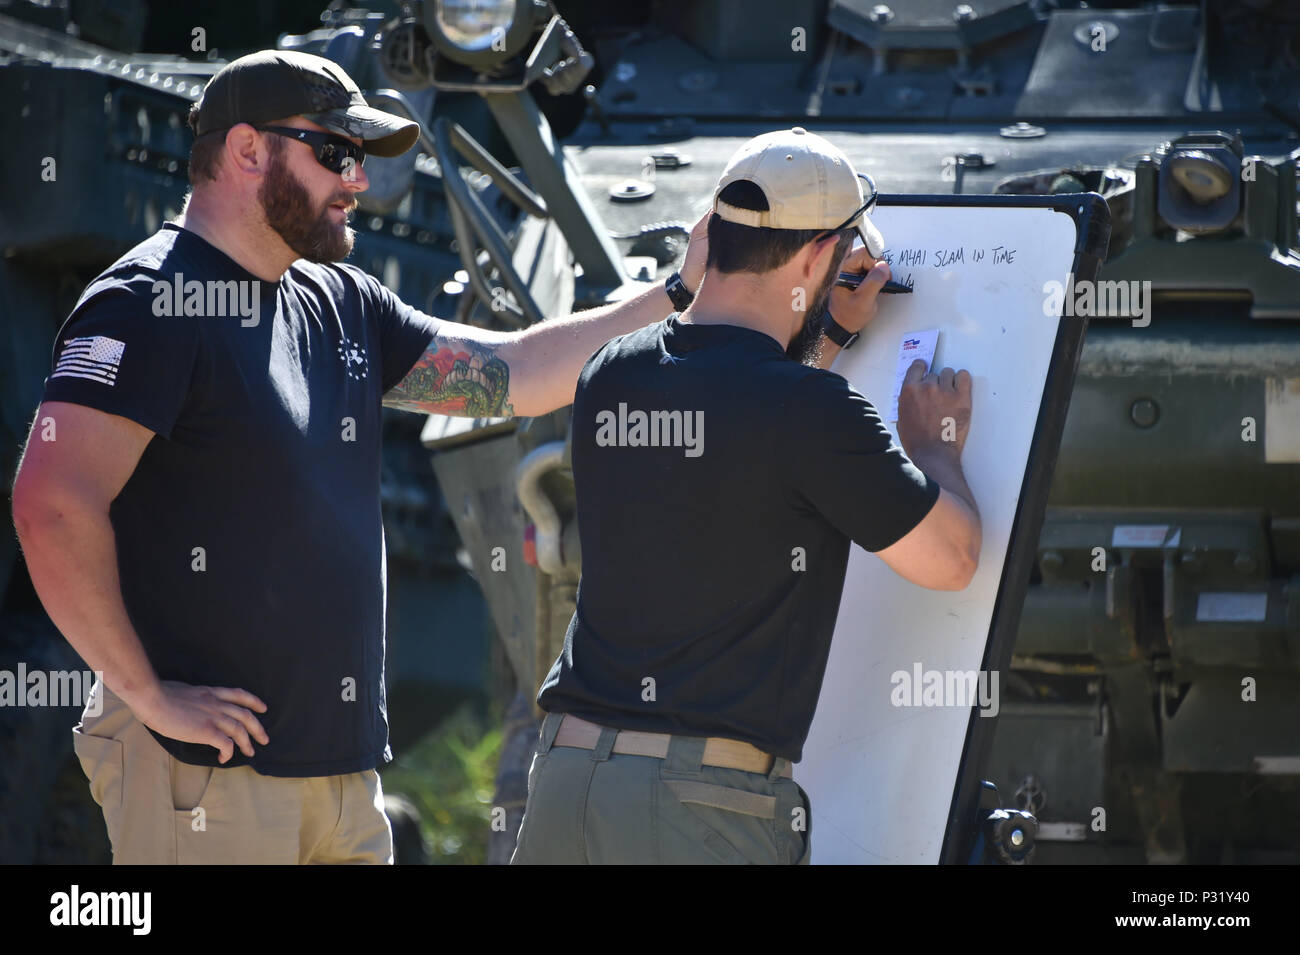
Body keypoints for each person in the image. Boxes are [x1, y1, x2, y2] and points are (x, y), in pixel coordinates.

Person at [9, 49, 707, 864]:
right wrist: (147, 696)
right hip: (206, 777)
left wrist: (680, 295)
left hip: (343, 785)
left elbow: (513, 374)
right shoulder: (146, 303)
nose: (359, 181)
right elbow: (51, 503)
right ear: (245, 150)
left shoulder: (340, 301)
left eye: (363, 157)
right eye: (336, 152)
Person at [511, 127, 982, 865]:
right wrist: (934, 449)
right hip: (695, 809)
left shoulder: (611, 373)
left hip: (566, 786)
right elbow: (950, 557)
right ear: (818, 255)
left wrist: (825, 340)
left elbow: (735, 434)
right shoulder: (806, 414)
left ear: (715, 236)